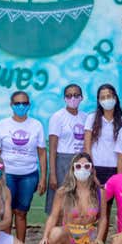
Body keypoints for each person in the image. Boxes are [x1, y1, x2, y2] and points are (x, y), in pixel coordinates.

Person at [36, 152, 107, 244]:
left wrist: (99, 239)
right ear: (73, 169)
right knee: (55, 232)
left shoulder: (100, 192)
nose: (83, 169)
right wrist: (45, 236)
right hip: (68, 241)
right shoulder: (63, 192)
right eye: (78, 166)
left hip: (88, 239)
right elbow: (53, 216)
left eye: (86, 166)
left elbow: (103, 218)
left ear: (92, 168)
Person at [0, 90, 47, 244]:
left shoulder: (36, 125)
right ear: (11, 105)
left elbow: (42, 153)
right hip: (7, 175)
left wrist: (43, 178)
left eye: (24, 103)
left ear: (29, 105)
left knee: (21, 213)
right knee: (6, 213)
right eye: (17, 103)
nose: (21, 106)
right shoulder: (2, 124)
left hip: (28, 175)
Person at [84, 83, 122, 241]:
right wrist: (90, 170)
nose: (106, 99)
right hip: (96, 169)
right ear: (98, 100)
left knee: (106, 211)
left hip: (114, 171)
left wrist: (121, 177)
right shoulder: (92, 118)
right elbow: (87, 146)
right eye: (103, 97)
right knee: (93, 210)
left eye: (109, 96)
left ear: (115, 98)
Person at [47, 83, 88, 215]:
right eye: (69, 96)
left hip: (80, 163)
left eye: (76, 95)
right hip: (62, 162)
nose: (73, 98)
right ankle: (54, 232)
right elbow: (52, 148)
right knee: (59, 202)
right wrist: (53, 174)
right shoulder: (57, 117)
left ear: (81, 97)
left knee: (77, 201)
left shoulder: (85, 117)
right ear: (64, 98)